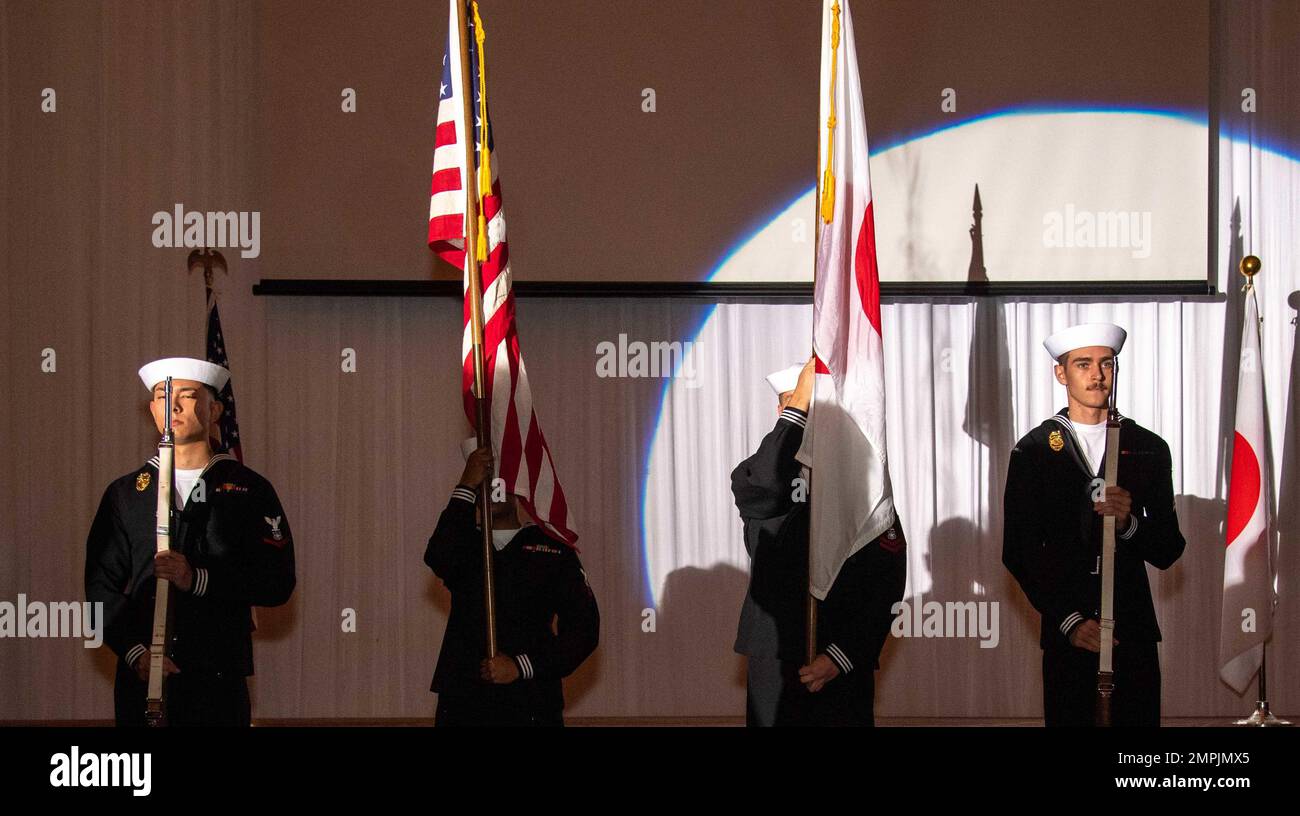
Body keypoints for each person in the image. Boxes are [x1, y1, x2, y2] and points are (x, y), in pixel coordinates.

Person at [85, 357, 296, 726]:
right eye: (163, 396)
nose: (174, 407)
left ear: (214, 411)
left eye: (187, 395)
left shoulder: (248, 490)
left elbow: (277, 581)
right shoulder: (126, 494)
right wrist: (135, 652)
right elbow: (100, 587)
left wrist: (198, 578)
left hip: (218, 675)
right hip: (143, 676)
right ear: (152, 409)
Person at [1002, 323, 1185, 726]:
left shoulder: (1148, 446)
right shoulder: (1034, 450)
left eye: (1106, 364)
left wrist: (1130, 524)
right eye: (1083, 364)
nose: (1097, 375)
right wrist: (1067, 619)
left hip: (1132, 632)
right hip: (1069, 634)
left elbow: (1170, 548)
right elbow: (1019, 551)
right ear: (1061, 373)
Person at [732, 359, 906, 726]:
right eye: (798, 405)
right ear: (782, 411)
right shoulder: (754, 474)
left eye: (819, 407)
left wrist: (843, 655)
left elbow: (886, 581)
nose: (811, 416)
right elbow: (767, 487)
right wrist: (800, 402)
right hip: (776, 655)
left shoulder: (864, 485)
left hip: (841, 658)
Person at [425, 440, 599, 726]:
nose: (491, 487)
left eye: (498, 477)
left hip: (531, 702)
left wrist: (522, 666)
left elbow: (584, 631)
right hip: (464, 704)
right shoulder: (464, 544)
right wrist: (465, 485)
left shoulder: (550, 548)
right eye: (484, 478)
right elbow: (437, 557)